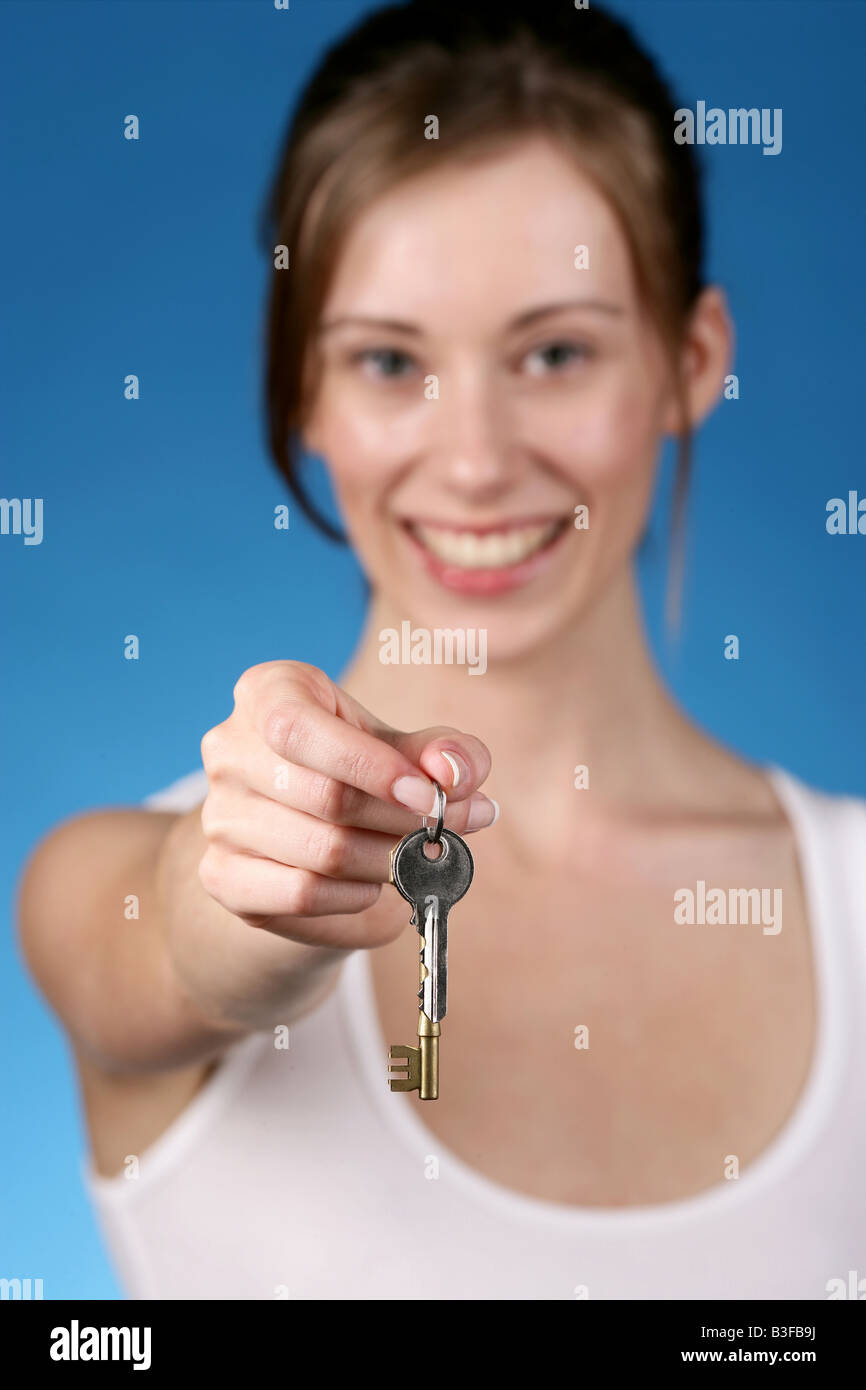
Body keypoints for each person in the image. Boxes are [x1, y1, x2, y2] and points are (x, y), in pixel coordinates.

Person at [18, 0, 866, 1300]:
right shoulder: (102, 884)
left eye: (556, 350)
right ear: (302, 381)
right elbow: (182, 942)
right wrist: (262, 888)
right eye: (388, 360)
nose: (473, 459)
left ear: (690, 361)